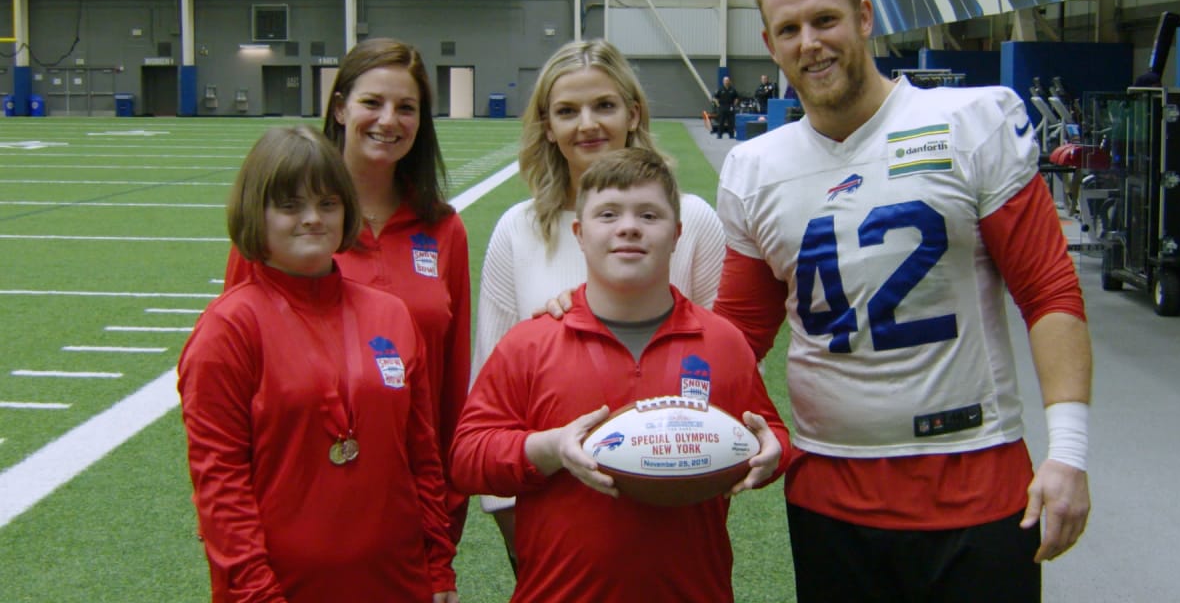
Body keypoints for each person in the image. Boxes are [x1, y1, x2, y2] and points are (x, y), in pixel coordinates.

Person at [713, 0, 1093, 601]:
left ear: (864, 17)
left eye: (825, 19)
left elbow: (1048, 291)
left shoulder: (970, 126)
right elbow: (736, 338)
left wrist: (1070, 451)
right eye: (790, 29)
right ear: (769, 44)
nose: (811, 43)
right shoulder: (756, 170)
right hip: (830, 499)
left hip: (975, 483)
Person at [452, 147, 791, 603]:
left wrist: (772, 452)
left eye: (649, 215)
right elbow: (467, 457)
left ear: (677, 234)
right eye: (608, 214)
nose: (628, 226)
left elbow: (769, 431)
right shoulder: (529, 344)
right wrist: (549, 448)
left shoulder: (723, 343)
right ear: (579, 233)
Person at [471, 38, 726, 573]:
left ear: (633, 113)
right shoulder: (517, 231)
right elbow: (488, 397)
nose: (587, 124)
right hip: (556, 525)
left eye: (604, 106)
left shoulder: (694, 221)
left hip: (672, 514)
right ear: (547, 125)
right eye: (567, 111)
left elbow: (723, 368)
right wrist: (511, 525)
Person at [178, 126, 457, 602]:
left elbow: (422, 458)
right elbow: (221, 486)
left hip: (398, 579)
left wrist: (438, 571)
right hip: (281, 588)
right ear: (255, 212)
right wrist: (258, 594)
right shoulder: (228, 329)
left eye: (328, 204)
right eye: (290, 206)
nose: (312, 219)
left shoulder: (390, 314)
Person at [223, 38, 472, 545]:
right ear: (339, 107)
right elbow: (232, 380)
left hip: (405, 503)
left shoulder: (443, 230)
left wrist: (447, 503)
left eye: (407, 107)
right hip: (292, 502)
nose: (389, 120)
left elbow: (451, 380)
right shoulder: (285, 226)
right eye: (371, 102)